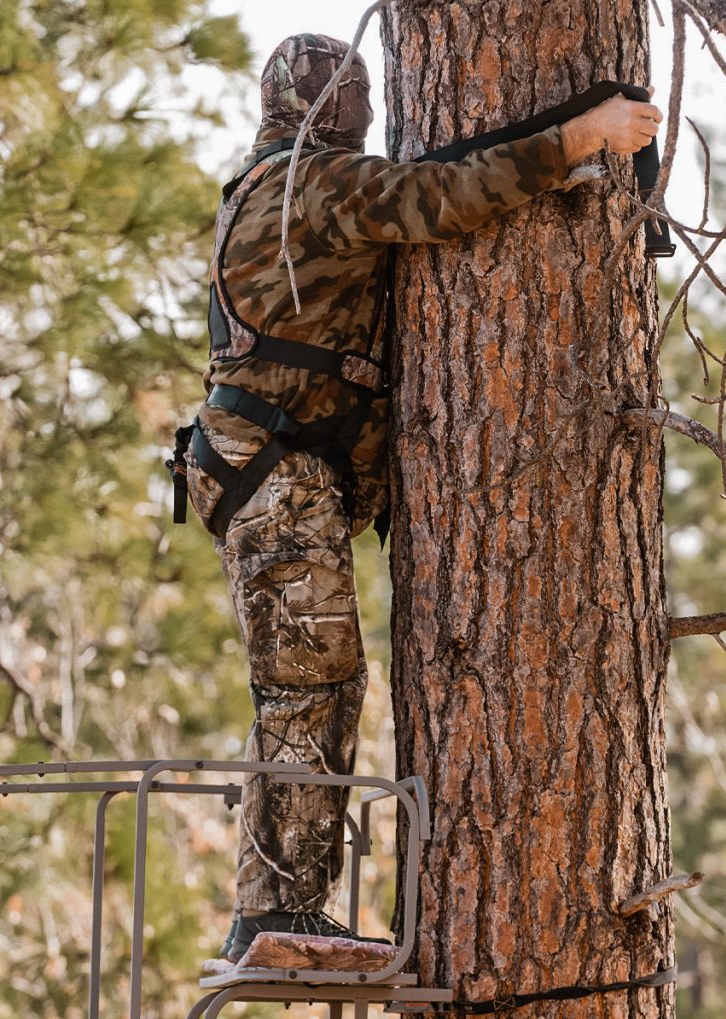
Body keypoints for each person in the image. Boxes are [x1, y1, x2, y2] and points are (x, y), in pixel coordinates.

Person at [176, 33, 663, 964]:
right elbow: (438, 196)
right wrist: (576, 139)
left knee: (318, 680)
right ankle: (274, 913)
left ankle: (281, 909)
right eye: (349, 96)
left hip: (266, 464)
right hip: (271, 466)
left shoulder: (277, 183)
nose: (360, 110)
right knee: (309, 680)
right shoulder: (313, 185)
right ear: (330, 110)